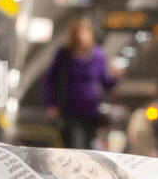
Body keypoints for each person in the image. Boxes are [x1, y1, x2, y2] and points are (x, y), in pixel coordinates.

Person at [43, 16, 116, 150]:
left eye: (85, 32)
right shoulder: (64, 54)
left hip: (91, 112)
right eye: (79, 32)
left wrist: (115, 76)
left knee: (88, 147)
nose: (82, 36)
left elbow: (106, 83)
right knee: (76, 145)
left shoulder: (98, 55)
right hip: (70, 110)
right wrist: (51, 104)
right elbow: (50, 79)